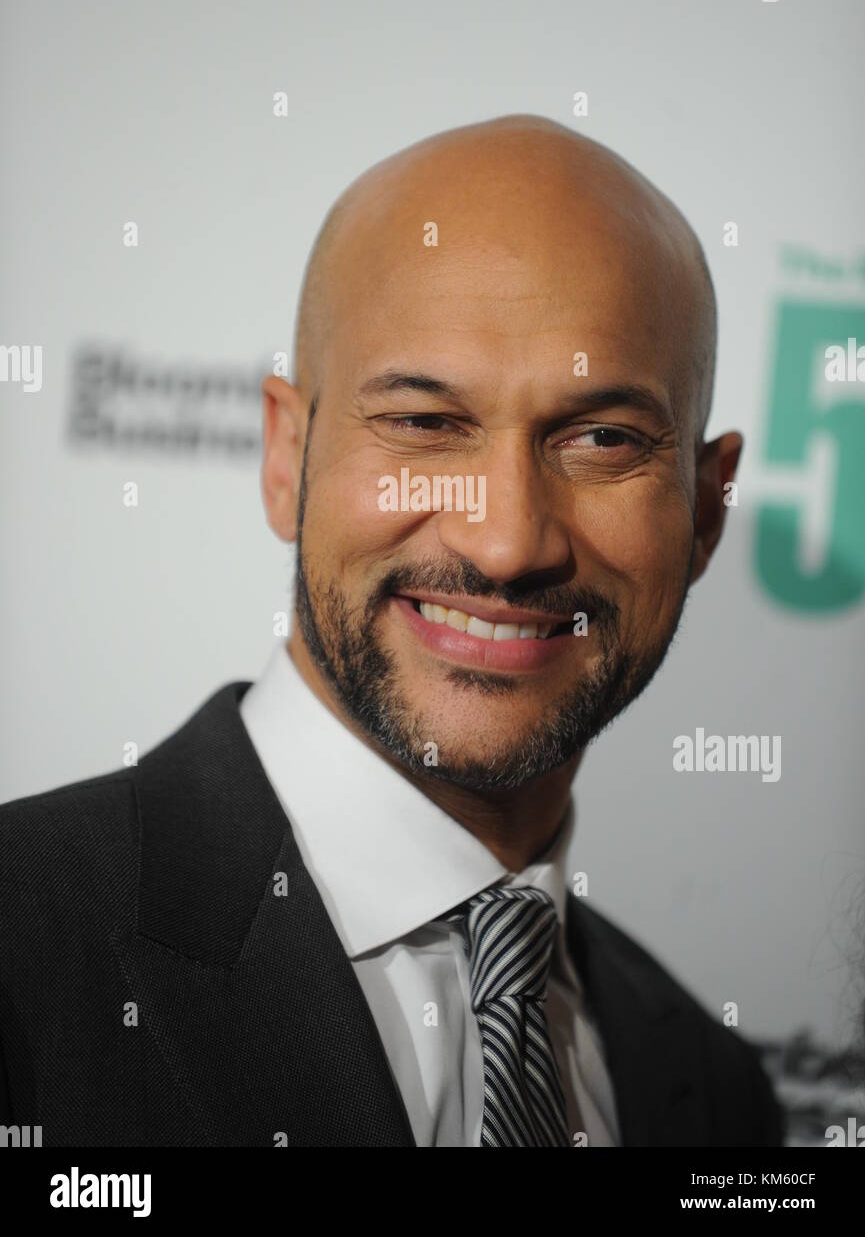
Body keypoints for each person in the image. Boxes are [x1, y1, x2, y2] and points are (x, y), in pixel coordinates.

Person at [0, 115, 784, 1147]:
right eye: (423, 422)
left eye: (602, 438)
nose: (506, 542)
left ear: (705, 509)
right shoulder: (22, 946)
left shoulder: (711, 1089)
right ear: (287, 458)